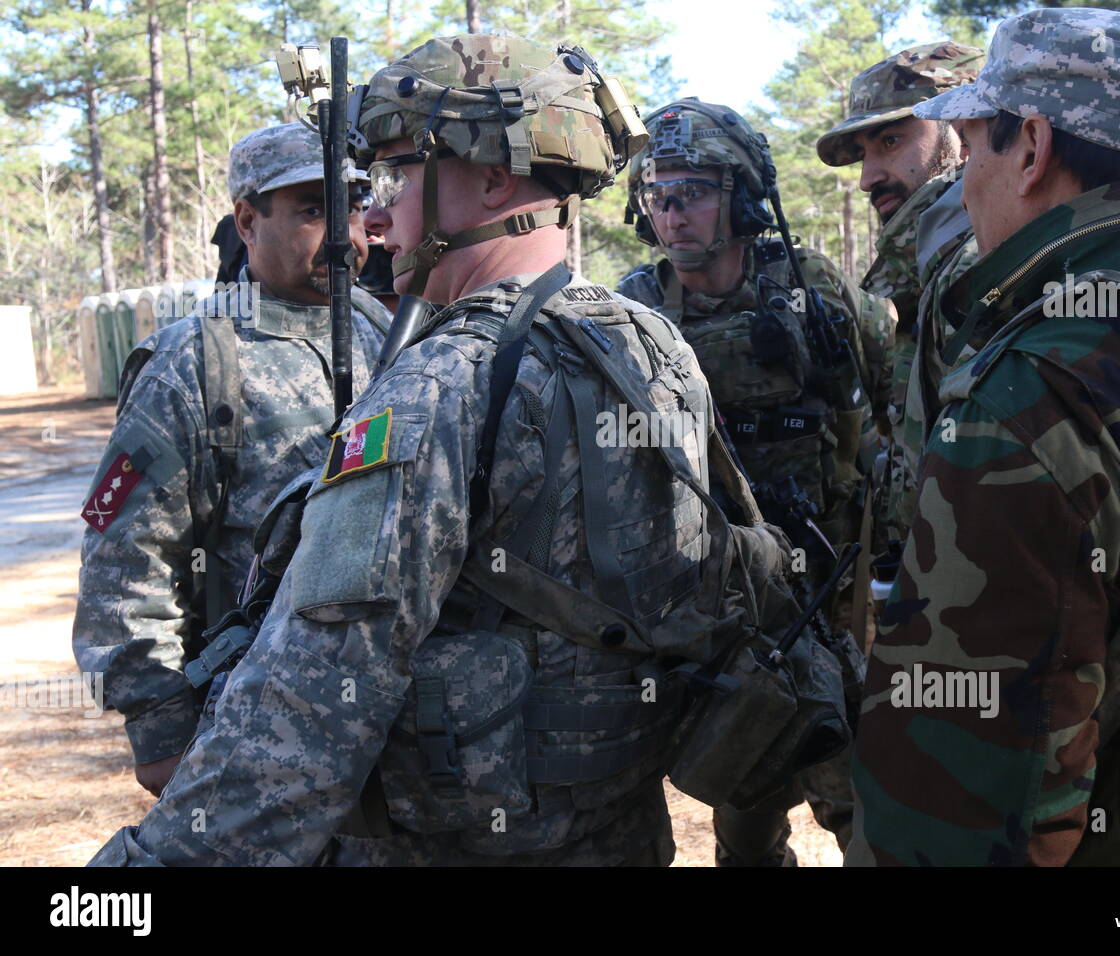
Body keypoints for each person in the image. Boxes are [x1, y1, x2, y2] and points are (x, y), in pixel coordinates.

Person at [89, 33, 780, 867]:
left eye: (393, 176)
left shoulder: (439, 384)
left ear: (493, 175)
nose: (371, 216)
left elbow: (303, 714)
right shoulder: (650, 342)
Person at [848, 6, 1120, 866]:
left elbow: (964, 813)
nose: (966, 181)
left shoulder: (1032, 389)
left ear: (1032, 149)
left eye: (975, 145)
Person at [72, 122, 390, 797]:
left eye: (352, 207)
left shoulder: (386, 334)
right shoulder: (190, 361)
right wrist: (159, 728)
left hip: (390, 718)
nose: (343, 234)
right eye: (311, 210)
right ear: (247, 221)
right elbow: (123, 555)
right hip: (253, 721)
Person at [617, 98, 877, 866]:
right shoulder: (634, 309)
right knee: (747, 818)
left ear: (742, 198)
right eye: (658, 195)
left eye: (692, 191)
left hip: (825, 600)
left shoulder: (813, 291)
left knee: (866, 810)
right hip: (722, 613)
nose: (672, 214)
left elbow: (894, 410)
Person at [816, 41, 984, 608]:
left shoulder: (984, 268)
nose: (867, 178)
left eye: (890, 141)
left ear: (962, 130)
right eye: (864, 152)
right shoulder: (922, 271)